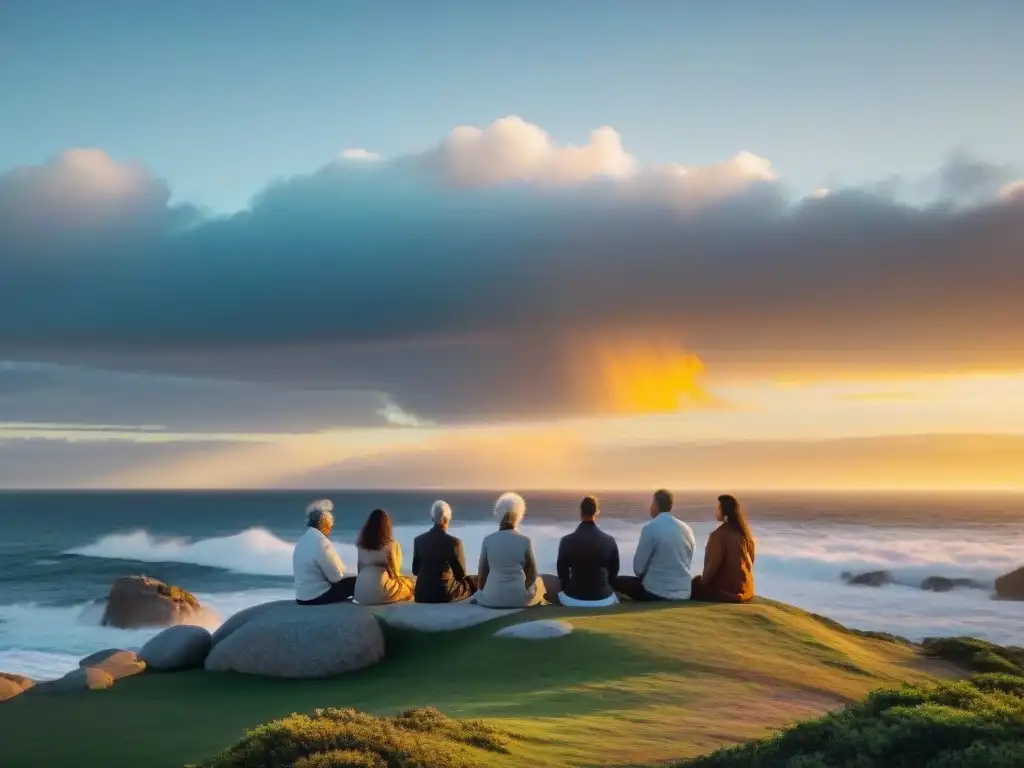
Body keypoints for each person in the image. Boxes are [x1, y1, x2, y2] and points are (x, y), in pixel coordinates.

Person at [615, 489, 696, 601]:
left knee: (615, 582)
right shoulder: (687, 529)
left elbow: (638, 569)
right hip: (684, 592)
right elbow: (688, 561)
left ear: (656, 504)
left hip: (656, 592)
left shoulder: (650, 527)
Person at [475, 492, 546, 608]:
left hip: (491, 599)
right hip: (518, 600)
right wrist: (527, 590)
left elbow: (482, 574)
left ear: (498, 514)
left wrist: (482, 592)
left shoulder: (488, 540)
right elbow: (532, 574)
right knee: (539, 582)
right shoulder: (525, 541)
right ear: (519, 516)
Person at [556, 496, 620, 607]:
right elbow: (614, 571)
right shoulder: (609, 541)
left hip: (572, 599)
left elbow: (562, 573)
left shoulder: (566, 541)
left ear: (581, 512)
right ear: (597, 512)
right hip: (604, 599)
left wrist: (569, 589)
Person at [691, 494, 756, 603]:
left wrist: (703, 582)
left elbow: (712, 566)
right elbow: (751, 560)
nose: (716, 510)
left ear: (724, 511)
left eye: (718, 508)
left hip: (727, 591)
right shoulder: (745, 534)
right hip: (747, 589)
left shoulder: (718, 535)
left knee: (695, 583)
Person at [412, 500, 477, 603]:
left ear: (432, 518)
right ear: (448, 518)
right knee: (474, 580)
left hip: (421, 594)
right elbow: (461, 575)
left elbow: (415, 571)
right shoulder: (454, 542)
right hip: (444, 594)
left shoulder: (418, 540)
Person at [293, 499, 356, 605]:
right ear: (322, 524)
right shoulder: (321, 541)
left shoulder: (302, 540)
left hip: (301, 596)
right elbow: (336, 577)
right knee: (360, 581)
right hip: (317, 596)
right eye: (329, 526)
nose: (329, 530)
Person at [353, 508, 415, 605]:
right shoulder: (391, 545)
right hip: (380, 591)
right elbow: (394, 573)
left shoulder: (360, 545)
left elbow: (359, 569)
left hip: (360, 593)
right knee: (409, 583)